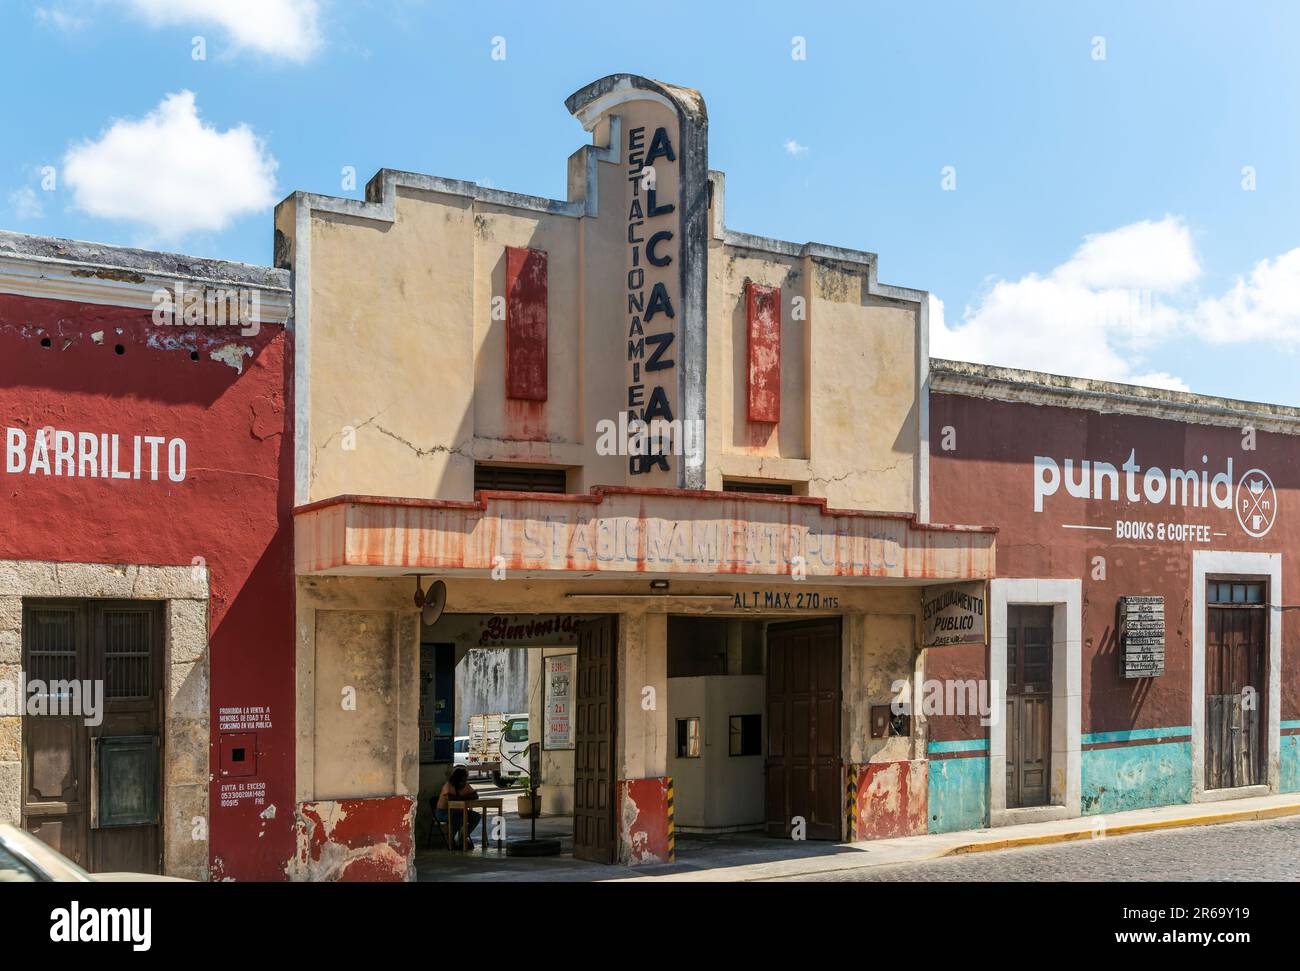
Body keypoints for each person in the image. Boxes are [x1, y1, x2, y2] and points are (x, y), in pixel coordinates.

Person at [436, 766, 481, 848]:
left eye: (465, 780)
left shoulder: (465, 785)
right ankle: (451, 839)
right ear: (456, 780)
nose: (463, 783)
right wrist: (467, 796)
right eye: (461, 781)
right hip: (443, 812)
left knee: (476, 816)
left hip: (459, 812)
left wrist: (460, 797)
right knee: (459, 818)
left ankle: (463, 836)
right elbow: (451, 798)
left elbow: (475, 795)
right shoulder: (449, 785)